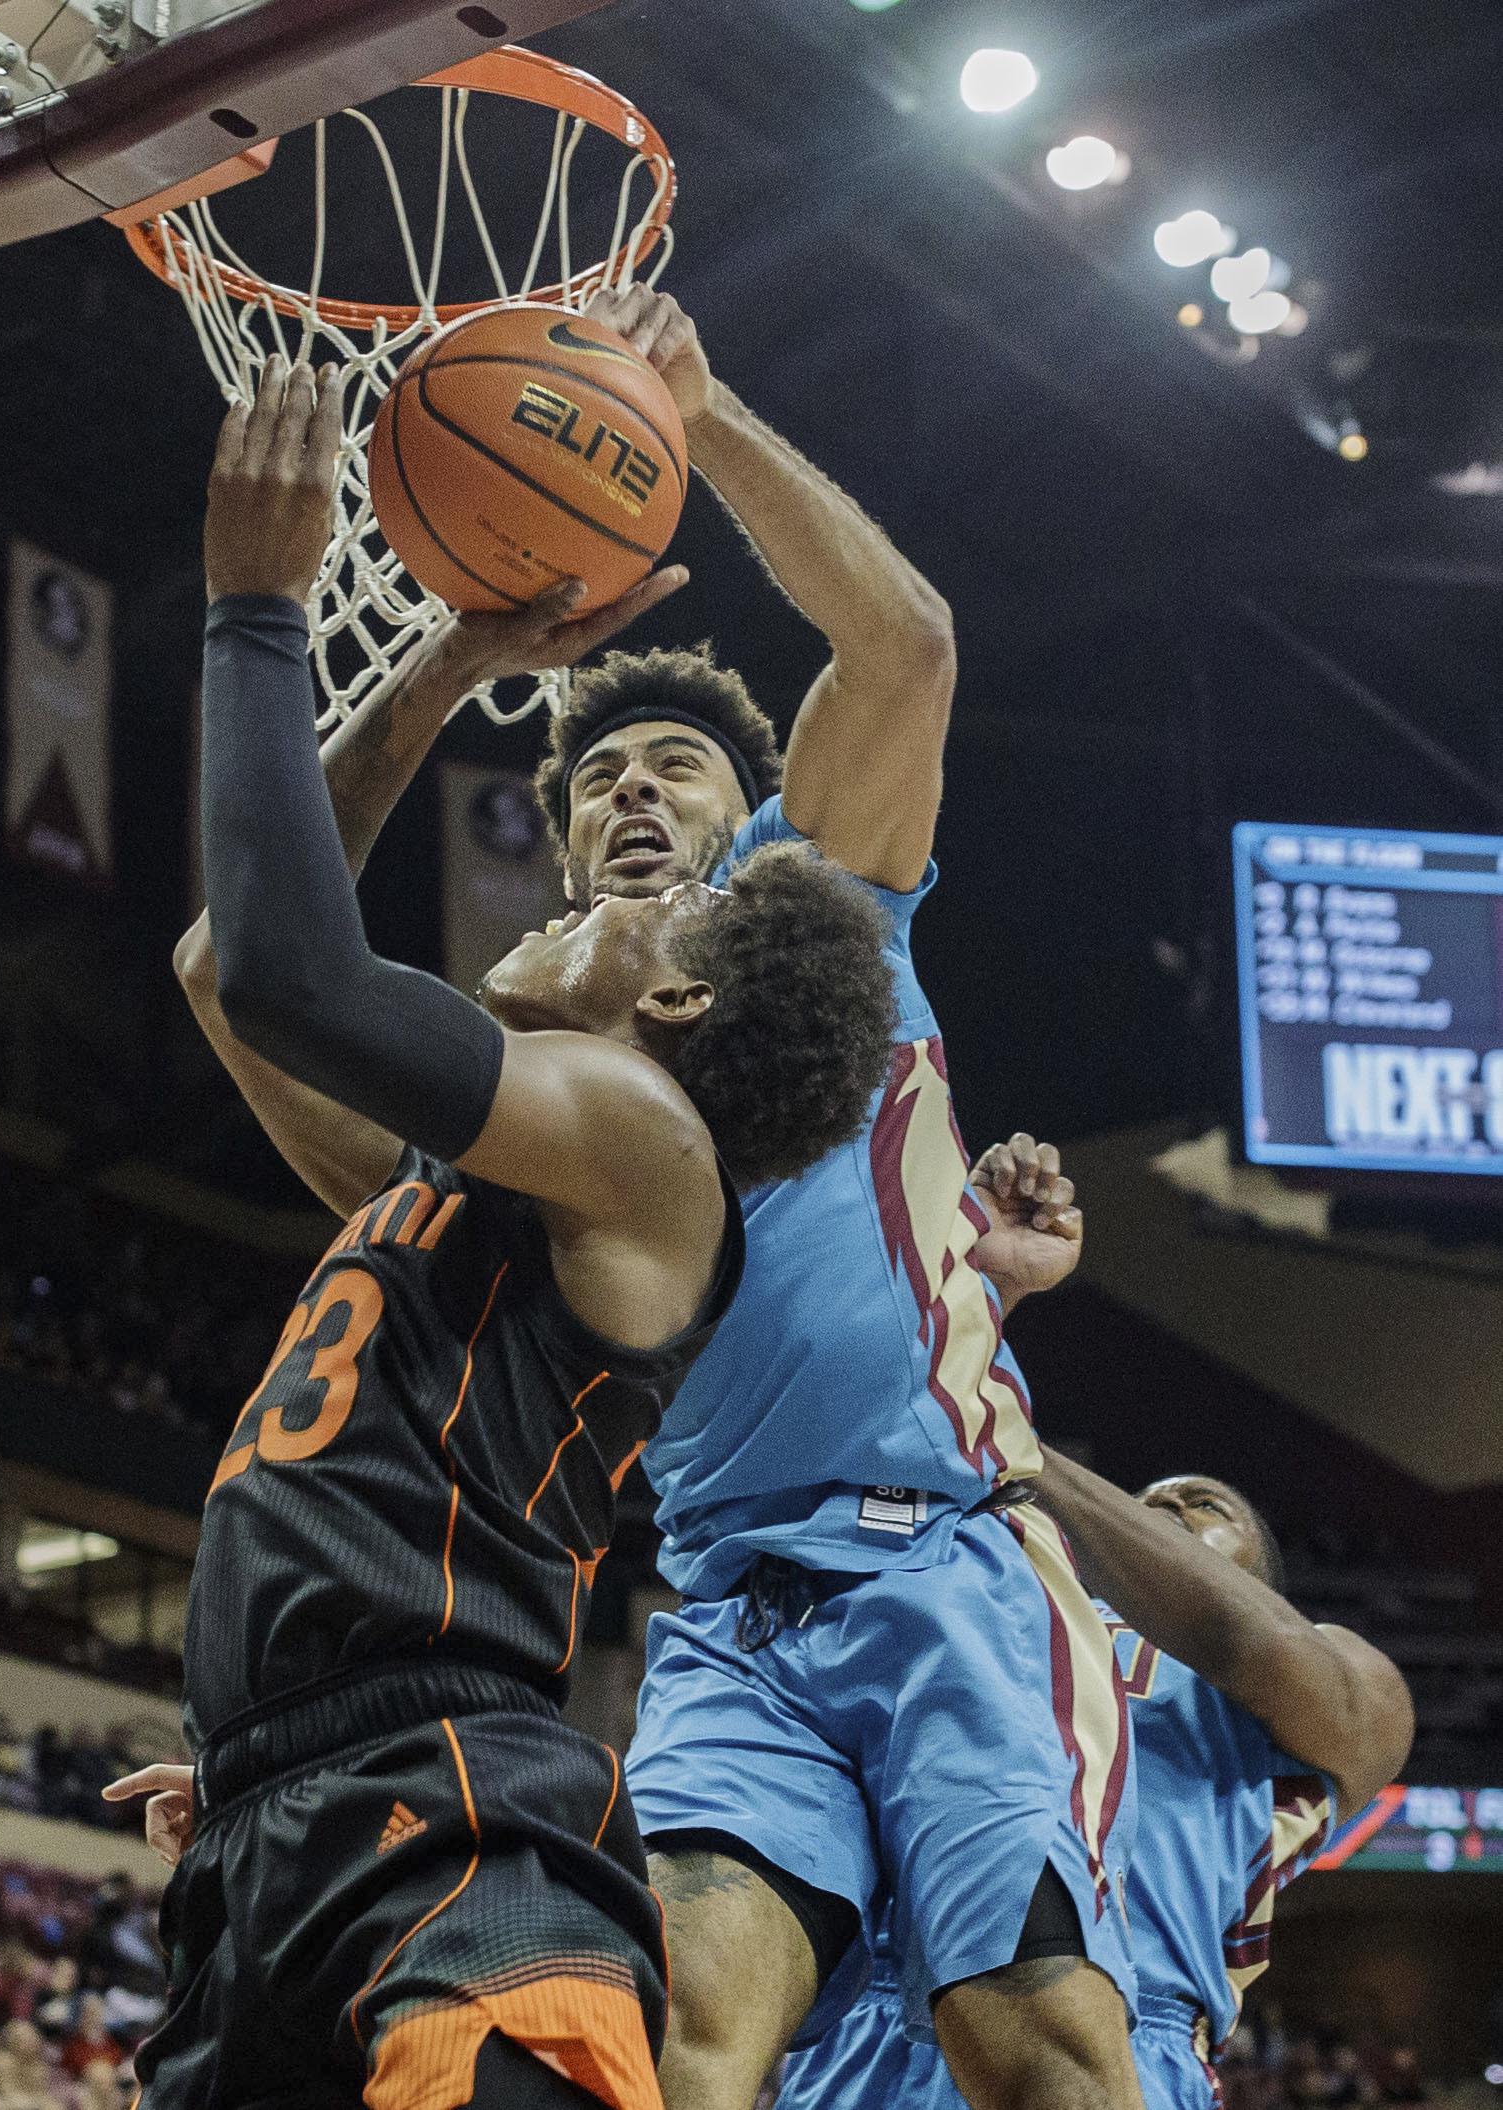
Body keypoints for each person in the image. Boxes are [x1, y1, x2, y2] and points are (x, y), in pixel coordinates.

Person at [200, 285, 1138, 2109]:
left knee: (1029, 2039)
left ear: (754, 821)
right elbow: (236, 964)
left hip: (943, 1542)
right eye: (597, 784)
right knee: (688, 2038)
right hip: (722, 1594)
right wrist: (445, 663)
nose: (631, 797)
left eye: (676, 768)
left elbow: (910, 651)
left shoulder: (821, 897)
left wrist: (695, 421)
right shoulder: (554, 1090)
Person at [105, 357, 898, 2110]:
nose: (592, 868)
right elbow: (217, 965)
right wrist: (449, 665)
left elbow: (285, 970)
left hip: (455, 1819)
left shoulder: (640, 1143)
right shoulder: (464, 1182)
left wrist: (258, 609)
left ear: (681, 990)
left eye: (648, 890)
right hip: (279, 1813)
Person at [776, 1438, 1413, 2110]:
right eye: (1142, 1505)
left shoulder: (1331, 1669)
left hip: (1132, 2025)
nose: (1163, 1504)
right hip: (879, 2016)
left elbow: (1268, 1649)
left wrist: (1009, 1441)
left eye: (1202, 1503)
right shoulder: (989, 1608)